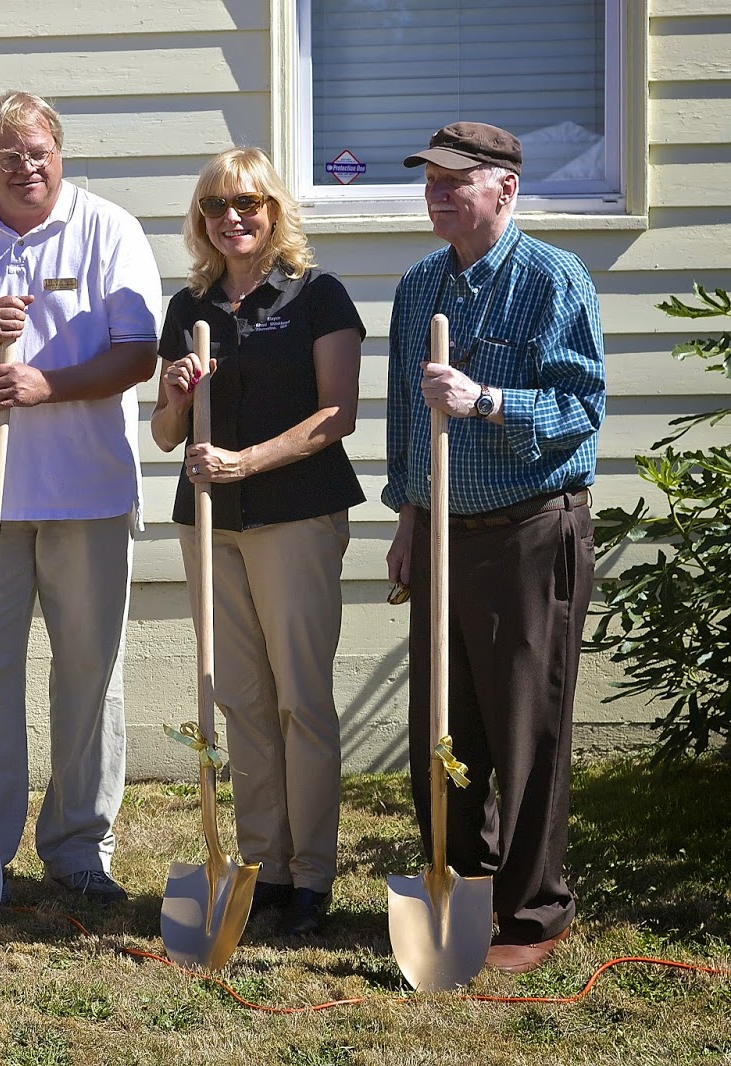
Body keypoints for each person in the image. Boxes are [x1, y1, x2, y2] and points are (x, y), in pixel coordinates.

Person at [0, 90, 163, 908]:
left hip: (88, 492)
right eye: (8, 155)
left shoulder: (105, 228)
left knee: (89, 673)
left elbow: (139, 353)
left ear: (61, 153)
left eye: (39, 151)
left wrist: (47, 383)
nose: (26, 167)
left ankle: (81, 848)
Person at [385, 122, 604, 974]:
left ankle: (533, 913)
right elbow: (409, 419)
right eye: (429, 180)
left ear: (504, 189)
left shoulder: (553, 280)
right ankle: (462, 883)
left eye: (455, 180)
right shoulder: (416, 288)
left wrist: (484, 401)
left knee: (526, 729)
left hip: (528, 533)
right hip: (441, 533)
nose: (437, 193)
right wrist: (407, 518)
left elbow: (580, 411)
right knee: (445, 723)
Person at [151, 147, 364, 936]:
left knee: (300, 699)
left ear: (275, 210)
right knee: (240, 699)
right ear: (201, 221)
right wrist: (174, 397)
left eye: (248, 203)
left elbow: (337, 413)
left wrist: (247, 461)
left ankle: (312, 875)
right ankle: (263, 867)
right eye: (216, 207)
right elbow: (167, 433)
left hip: (296, 515)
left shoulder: (318, 296)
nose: (232, 218)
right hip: (209, 521)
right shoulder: (190, 307)